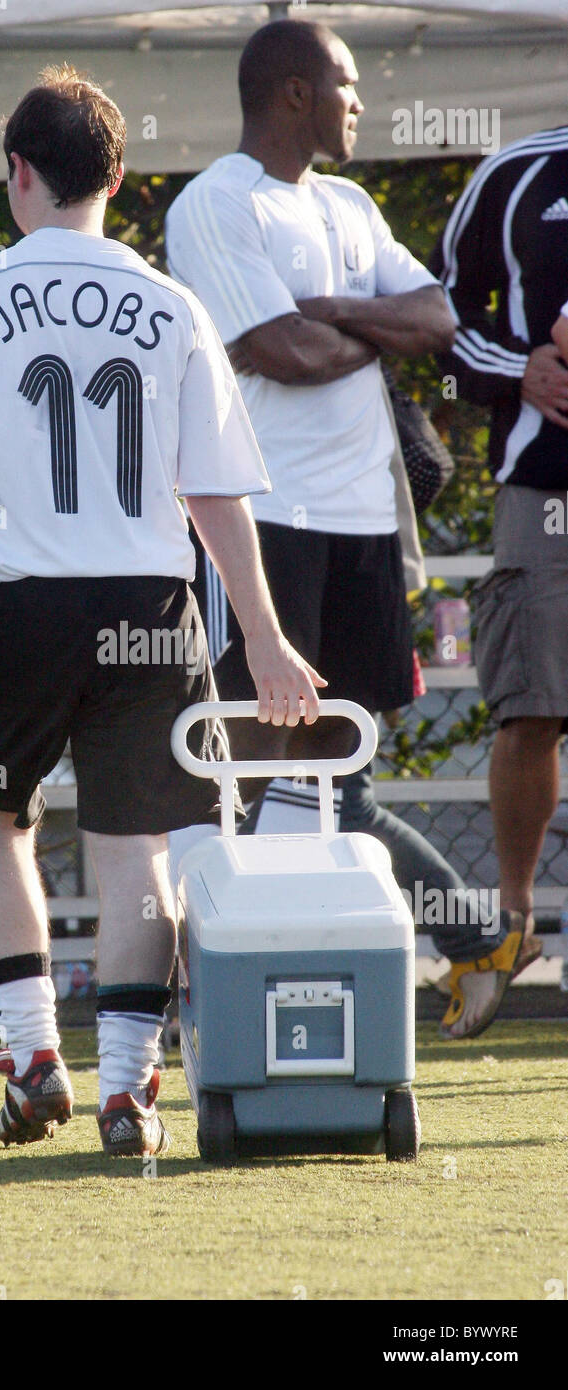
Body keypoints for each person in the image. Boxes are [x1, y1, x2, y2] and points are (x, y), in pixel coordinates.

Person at [0, 65, 325, 1158]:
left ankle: (33, 1052)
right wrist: (265, 639)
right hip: (149, 602)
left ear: (17, 174)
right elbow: (213, 495)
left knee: (0, 820)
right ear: (119, 179)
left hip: (19, 605)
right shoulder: (173, 306)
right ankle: (129, 1087)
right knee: (137, 847)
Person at [165, 17, 524, 1040]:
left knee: (341, 773)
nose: (358, 101)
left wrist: (331, 308)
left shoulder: (350, 203)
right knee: (251, 775)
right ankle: (454, 942)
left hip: (367, 521)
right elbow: (282, 350)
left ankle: (437, 953)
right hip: (261, 520)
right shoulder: (212, 205)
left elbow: (436, 321)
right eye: (345, 83)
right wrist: (351, 321)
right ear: (290, 92)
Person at [431, 129, 568, 1005]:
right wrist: (518, 367)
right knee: (531, 706)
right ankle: (512, 926)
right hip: (543, 489)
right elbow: (437, 314)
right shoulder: (516, 170)